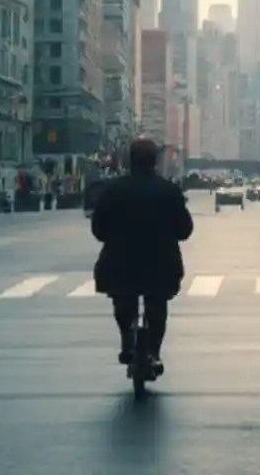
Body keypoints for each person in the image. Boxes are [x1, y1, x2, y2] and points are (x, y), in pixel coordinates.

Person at [91, 138, 194, 375]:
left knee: (122, 302)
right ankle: (153, 351)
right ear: (155, 161)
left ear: (129, 161)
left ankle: (127, 340)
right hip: (160, 265)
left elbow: (98, 230)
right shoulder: (169, 191)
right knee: (157, 306)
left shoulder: (113, 190)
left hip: (120, 264)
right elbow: (185, 230)